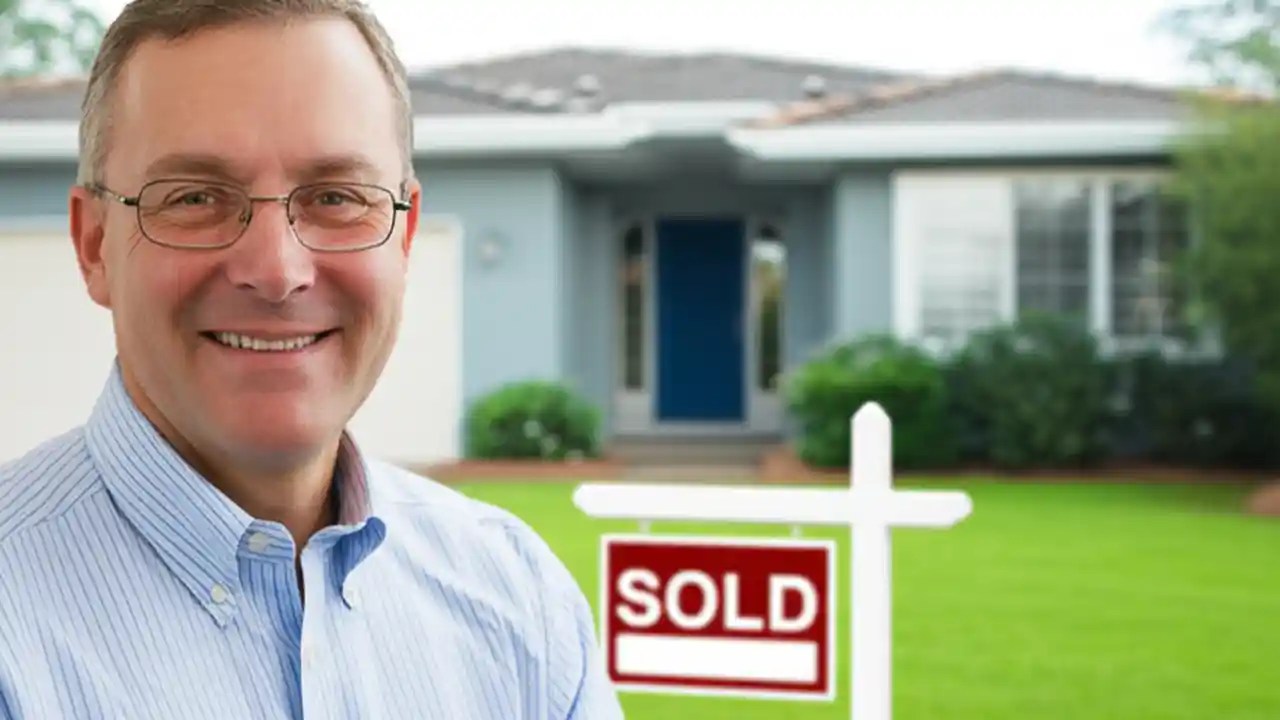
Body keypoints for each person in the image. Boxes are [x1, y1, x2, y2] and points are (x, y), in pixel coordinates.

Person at [0, 1, 625, 718]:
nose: (276, 268)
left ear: (404, 238)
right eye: (196, 197)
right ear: (93, 245)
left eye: (336, 197)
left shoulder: (519, 603)